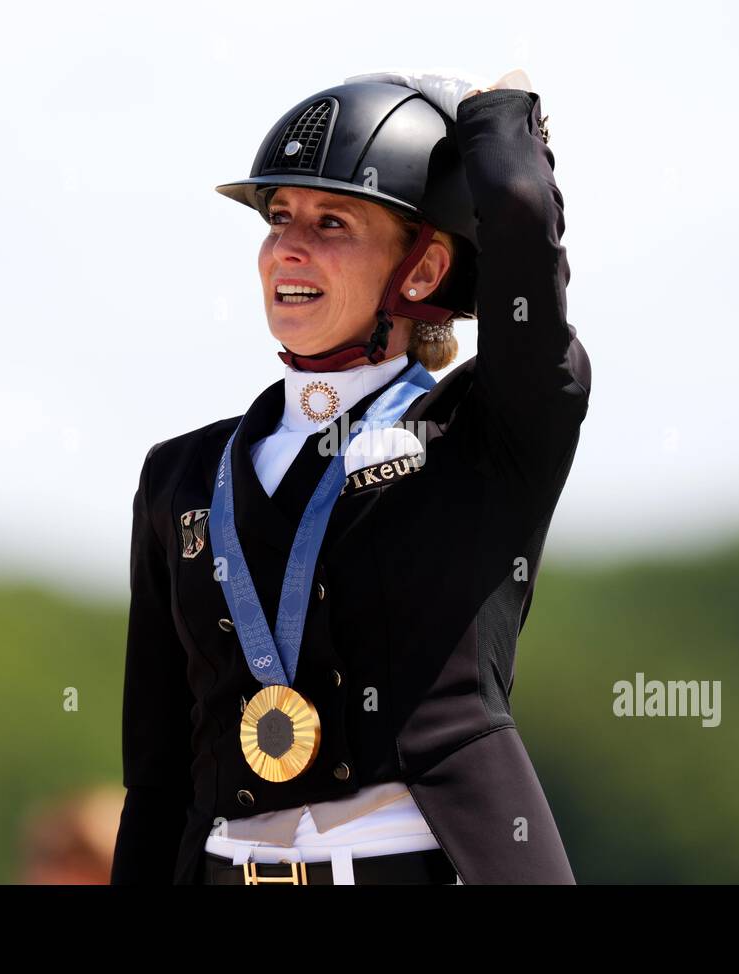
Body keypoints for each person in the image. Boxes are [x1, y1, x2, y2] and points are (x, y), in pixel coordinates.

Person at [111, 68, 591, 885]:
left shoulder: (482, 437)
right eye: (279, 219)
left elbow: (525, 272)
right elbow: (157, 776)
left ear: (425, 269)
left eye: (333, 221)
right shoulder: (181, 477)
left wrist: (501, 125)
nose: (288, 247)